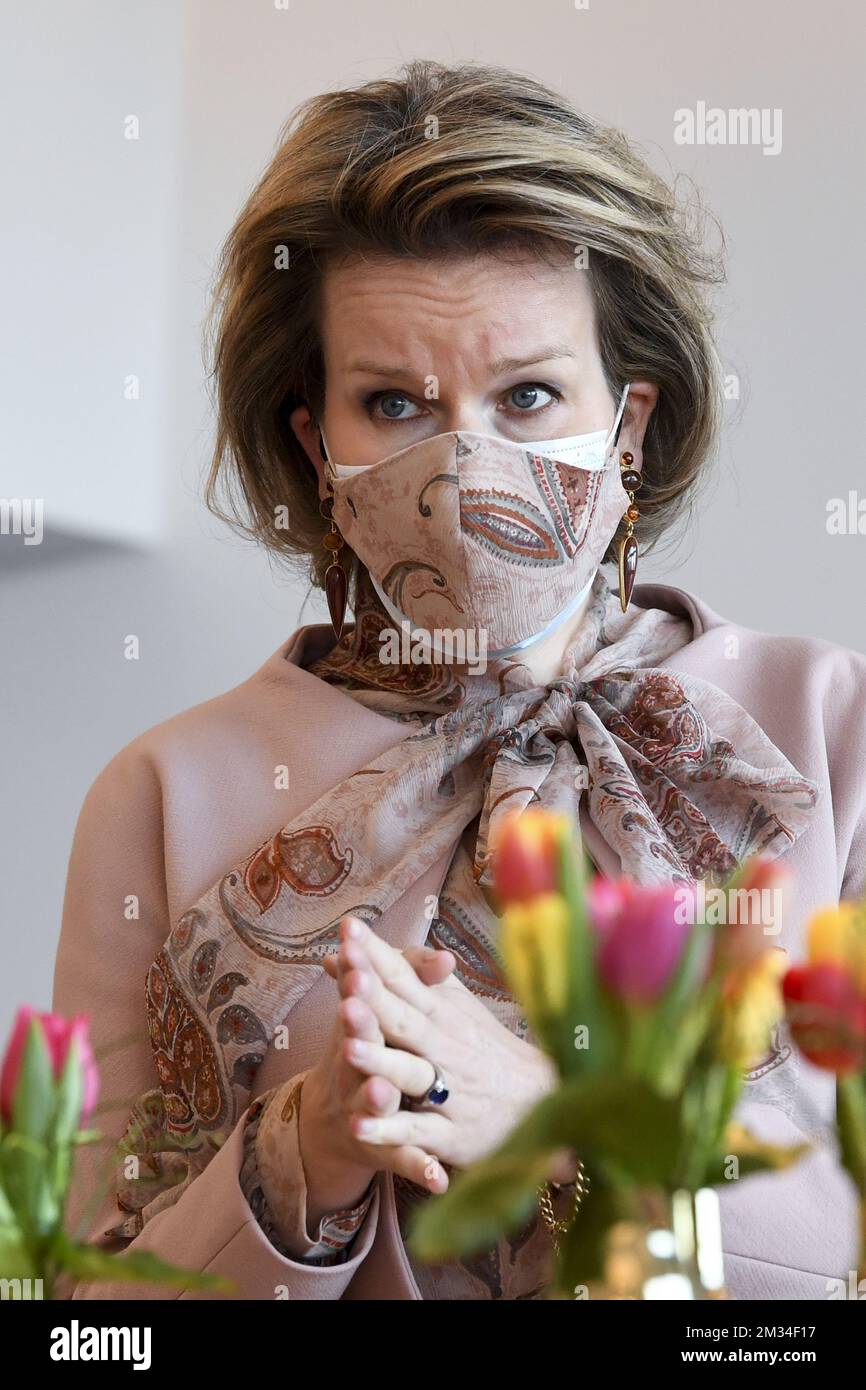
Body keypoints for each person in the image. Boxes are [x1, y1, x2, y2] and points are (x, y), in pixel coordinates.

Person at [54, 59, 866, 1301]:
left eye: (530, 394)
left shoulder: (828, 740)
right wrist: (301, 1155)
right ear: (316, 443)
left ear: (628, 424)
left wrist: (553, 1130)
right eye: (394, 403)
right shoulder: (163, 797)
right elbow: (90, 1325)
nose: (465, 468)